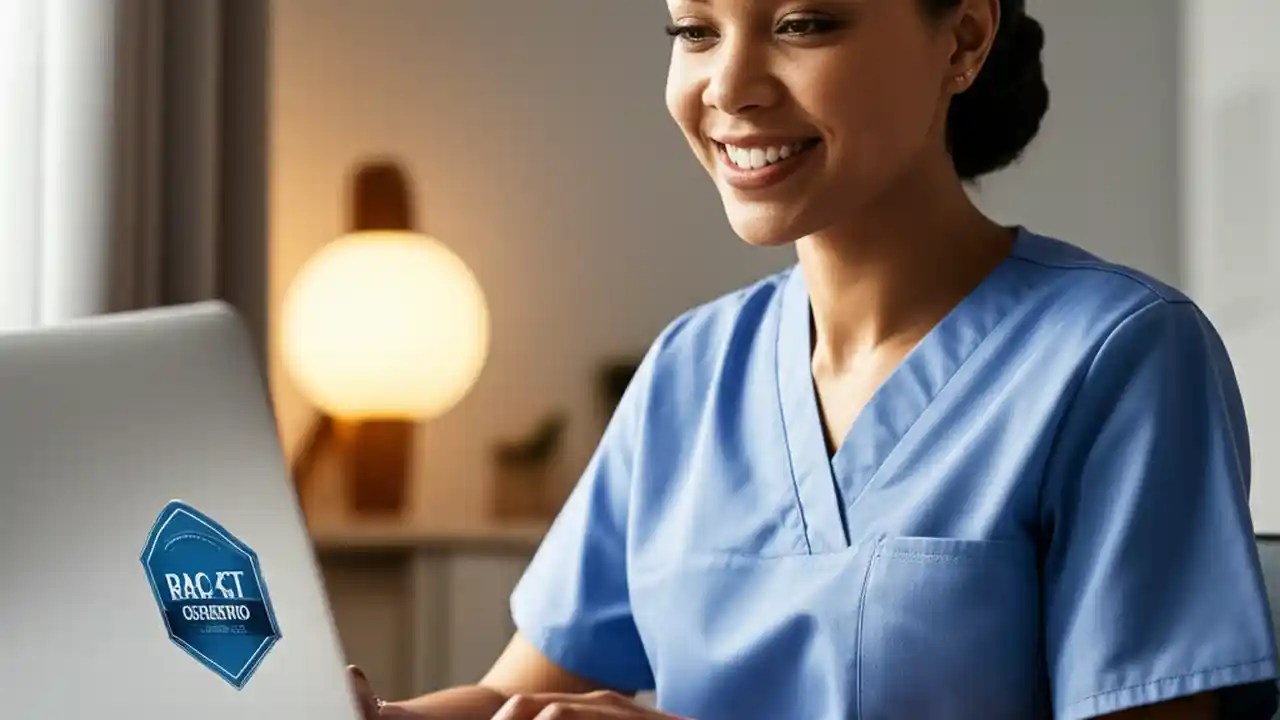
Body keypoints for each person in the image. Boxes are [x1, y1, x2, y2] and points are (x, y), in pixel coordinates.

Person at [350, 0, 1280, 717]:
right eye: (695, 31)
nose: (730, 87)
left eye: (802, 24)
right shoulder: (690, 370)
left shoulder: (1118, 356)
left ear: (962, 39)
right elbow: (514, 696)